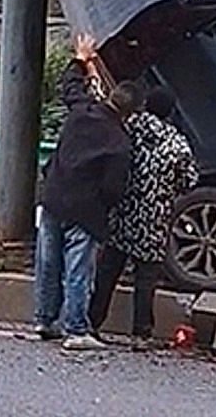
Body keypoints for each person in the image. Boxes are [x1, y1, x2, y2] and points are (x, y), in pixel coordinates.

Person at [34, 34, 143, 351]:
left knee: (47, 262)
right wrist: (104, 211)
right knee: (78, 270)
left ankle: (44, 319)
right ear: (132, 112)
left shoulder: (82, 110)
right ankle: (76, 329)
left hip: (53, 197)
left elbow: (69, 86)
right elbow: (114, 189)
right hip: (86, 211)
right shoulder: (120, 143)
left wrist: (82, 59)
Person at [88, 85, 199, 344]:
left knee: (107, 272)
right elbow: (189, 181)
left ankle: (92, 322)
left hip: (122, 213)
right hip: (154, 220)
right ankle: (141, 333)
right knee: (146, 279)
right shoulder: (176, 143)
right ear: (170, 112)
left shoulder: (128, 128)